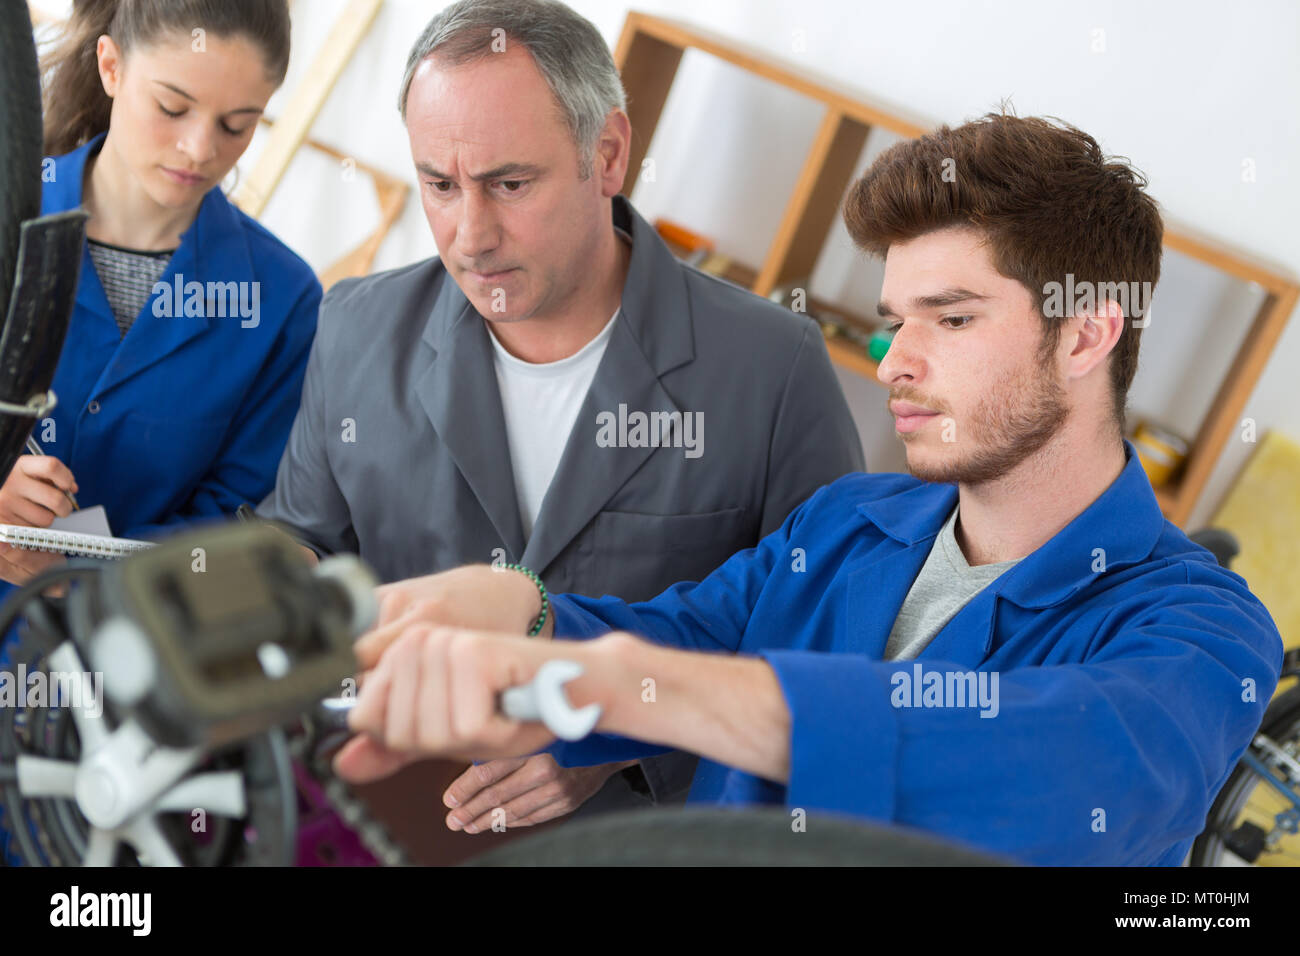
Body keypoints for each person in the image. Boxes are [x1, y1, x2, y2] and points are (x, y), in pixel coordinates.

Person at [330, 113, 1284, 866]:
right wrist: (518, 611)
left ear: (1084, 335)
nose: (892, 362)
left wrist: (611, 688)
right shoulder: (850, 520)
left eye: (949, 319)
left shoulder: (1203, 633)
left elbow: (1057, 772)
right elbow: (687, 637)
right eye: (892, 321)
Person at [256, 0, 864, 830]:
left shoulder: (775, 366)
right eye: (439, 185)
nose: (471, 235)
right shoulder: (355, 324)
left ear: (607, 154)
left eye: (510, 184)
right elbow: (307, 538)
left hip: (636, 839)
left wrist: (612, 731)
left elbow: (826, 638)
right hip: (390, 819)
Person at [0, 0, 319, 863]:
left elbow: (242, 521)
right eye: (171, 108)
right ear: (111, 69)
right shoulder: (7, 221)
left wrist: (78, 570)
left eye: (237, 125)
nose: (198, 150)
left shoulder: (283, 300)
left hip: (121, 706)